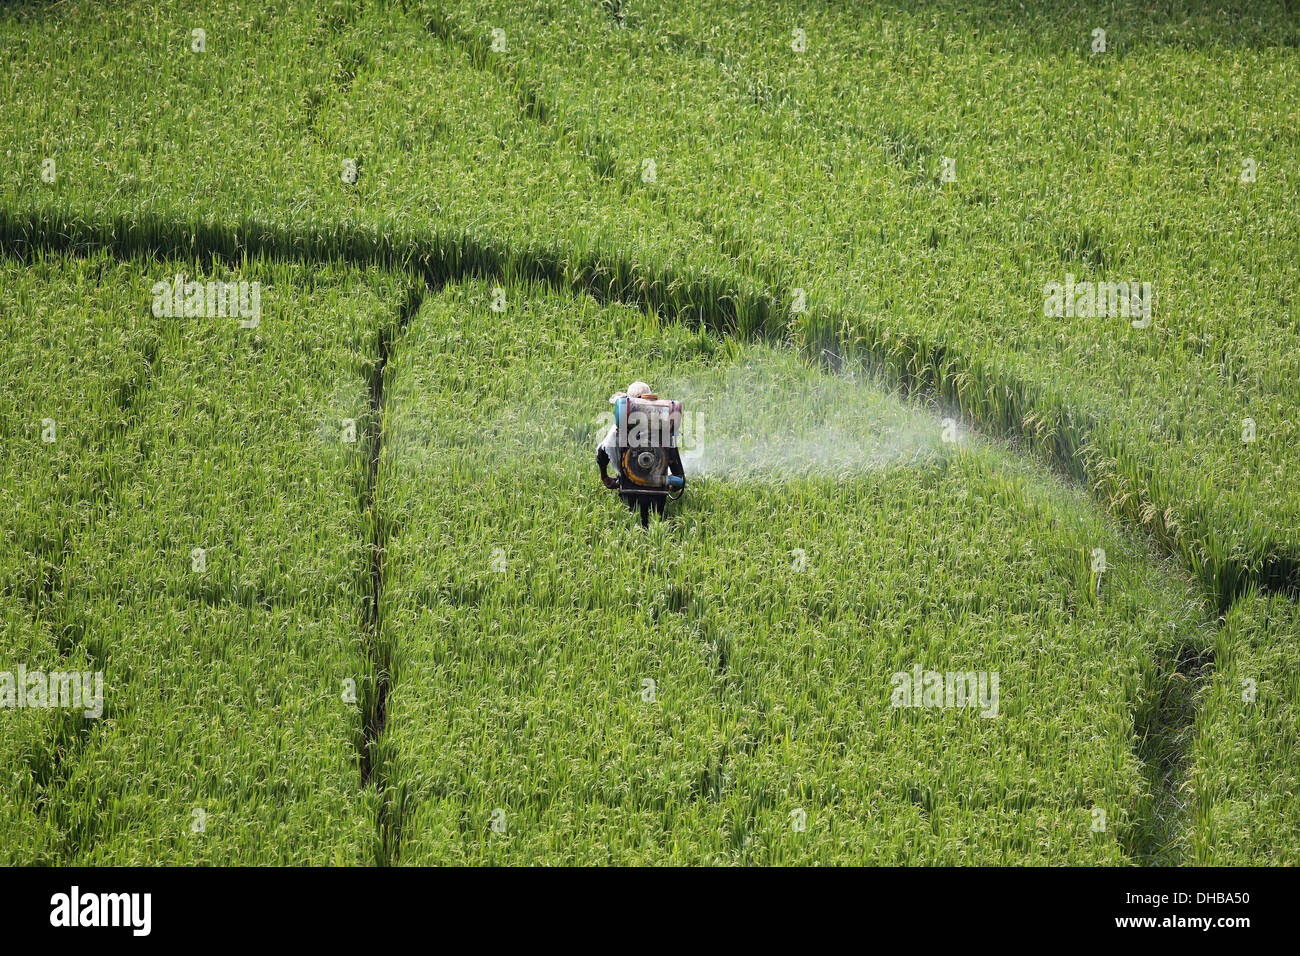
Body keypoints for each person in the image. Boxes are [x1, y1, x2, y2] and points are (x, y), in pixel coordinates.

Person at [597, 381, 686, 527]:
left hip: (629, 489)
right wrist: (672, 481)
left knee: (631, 525)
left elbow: (602, 452)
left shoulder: (622, 427)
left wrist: (605, 477)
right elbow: (677, 470)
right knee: (657, 524)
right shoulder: (664, 427)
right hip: (659, 492)